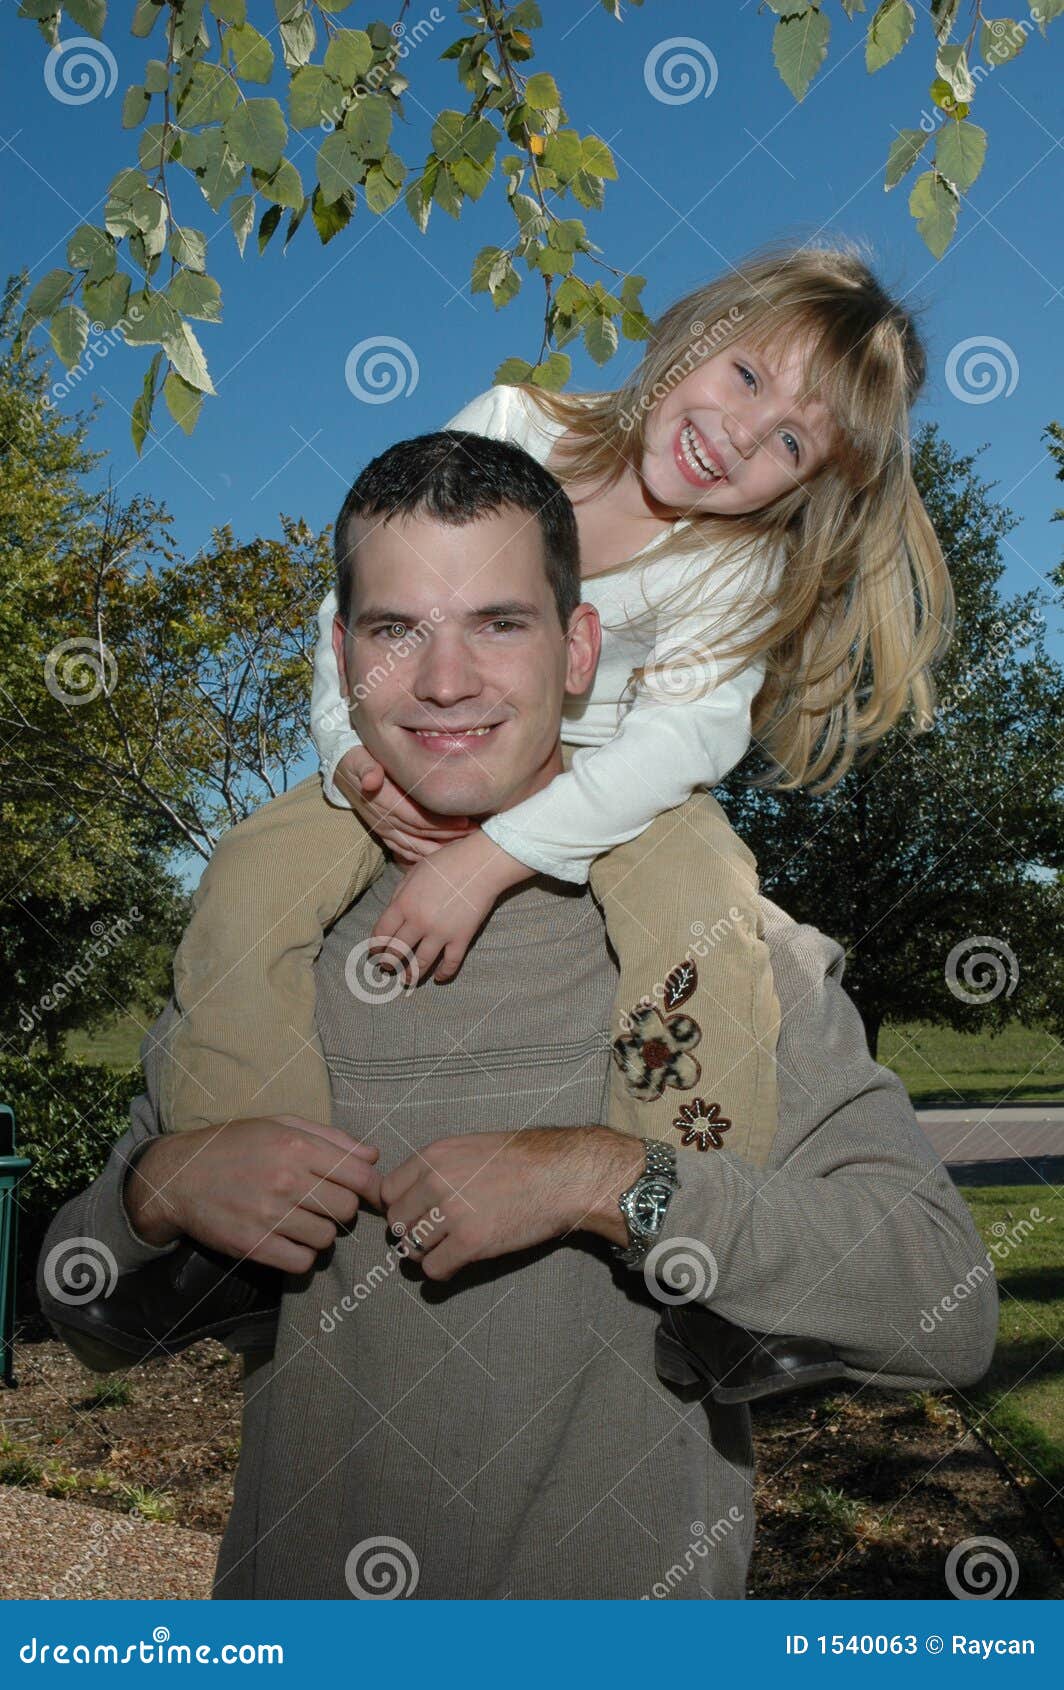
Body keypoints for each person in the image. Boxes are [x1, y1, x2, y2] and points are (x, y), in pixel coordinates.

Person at [38, 427, 996, 1601]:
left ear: (577, 649)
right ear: (341, 656)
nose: (445, 681)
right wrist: (155, 1193)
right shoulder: (267, 955)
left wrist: (610, 1178)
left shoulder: (723, 956)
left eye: (498, 623)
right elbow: (80, 1311)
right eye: (396, 630)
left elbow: (941, 1307)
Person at [156, 241, 953, 1399]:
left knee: (701, 895)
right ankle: (240, 1208)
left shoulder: (728, 565)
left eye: (791, 442)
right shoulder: (514, 422)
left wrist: (491, 858)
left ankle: (699, 1249)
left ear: (802, 487)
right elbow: (368, 594)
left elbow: (678, 748)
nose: (741, 435)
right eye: (743, 376)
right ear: (691, 334)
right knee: (253, 870)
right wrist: (349, 757)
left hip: (609, 790)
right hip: (420, 739)